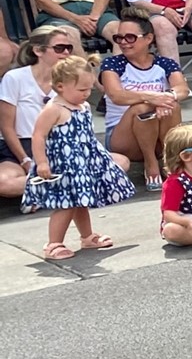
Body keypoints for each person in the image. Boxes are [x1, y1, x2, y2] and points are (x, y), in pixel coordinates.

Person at [23, 54, 137, 258]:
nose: (86, 94)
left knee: (81, 201)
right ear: (60, 86)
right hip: (63, 165)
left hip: (82, 162)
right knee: (66, 204)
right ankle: (53, 244)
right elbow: (38, 136)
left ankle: (87, 236)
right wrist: (41, 162)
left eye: (89, 89)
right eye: (81, 90)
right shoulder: (54, 109)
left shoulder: (83, 107)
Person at [100, 9, 187, 192]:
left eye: (130, 37)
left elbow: (182, 89)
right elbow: (116, 95)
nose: (123, 42)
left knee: (173, 104)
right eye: (119, 38)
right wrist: (152, 98)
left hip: (157, 134)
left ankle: (169, 159)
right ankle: (151, 164)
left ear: (148, 38)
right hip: (122, 137)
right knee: (141, 108)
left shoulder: (164, 64)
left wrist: (166, 98)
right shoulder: (113, 64)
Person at [1, 25, 83, 200]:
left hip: (60, 145)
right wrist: (25, 160)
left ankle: (43, 191)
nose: (66, 53)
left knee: (120, 162)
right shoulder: (15, 77)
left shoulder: (71, 79)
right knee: (4, 182)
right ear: (38, 50)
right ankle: (62, 187)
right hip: (22, 144)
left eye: (69, 48)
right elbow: (7, 127)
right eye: (59, 48)